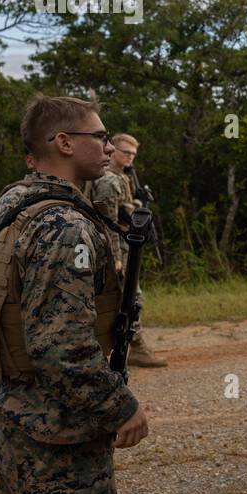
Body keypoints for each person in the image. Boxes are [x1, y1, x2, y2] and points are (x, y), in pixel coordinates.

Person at [0, 94, 149, 494]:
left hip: (16, 414)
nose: (110, 148)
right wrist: (120, 406)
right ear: (65, 143)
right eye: (100, 137)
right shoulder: (63, 225)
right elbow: (62, 347)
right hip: (57, 431)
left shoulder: (18, 207)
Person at [89, 134, 165, 368]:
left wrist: (138, 204)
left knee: (122, 299)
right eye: (125, 153)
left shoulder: (123, 177)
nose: (130, 157)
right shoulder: (109, 181)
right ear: (113, 151)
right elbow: (107, 222)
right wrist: (116, 258)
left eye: (133, 154)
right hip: (116, 248)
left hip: (123, 245)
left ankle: (119, 346)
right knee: (132, 298)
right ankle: (136, 348)